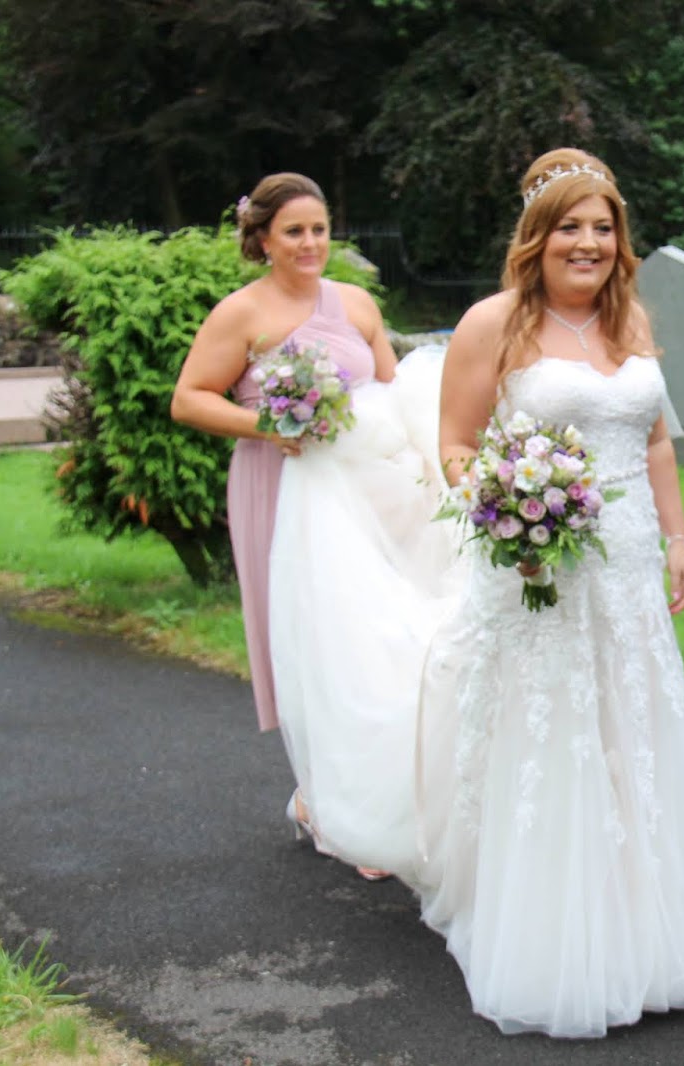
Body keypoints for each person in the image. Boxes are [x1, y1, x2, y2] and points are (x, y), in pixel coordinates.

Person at [413, 147, 684, 1038]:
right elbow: (454, 443)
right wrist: (508, 508)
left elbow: (649, 443)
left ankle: (649, 922)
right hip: (539, 567)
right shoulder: (496, 323)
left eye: (604, 228)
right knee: (553, 728)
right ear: (538, 236)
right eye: (571, 225)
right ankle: (548, 927)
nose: (590, 243)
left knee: (634, 726)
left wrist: (678, 539)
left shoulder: (629, 318)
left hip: (631, 564)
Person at [172, 172, 461, 880]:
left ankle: (368, 795)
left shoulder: (357, 303)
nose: (310, 244)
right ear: (263, 238)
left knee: (381, 640)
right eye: (294, 231)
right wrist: (268, 423)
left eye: (320, 229)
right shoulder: (240, 314)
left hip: (369, 489)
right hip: (280, 486)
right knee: (316, 637)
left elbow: (393, 392)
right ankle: (324, 799)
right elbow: (188, 399)